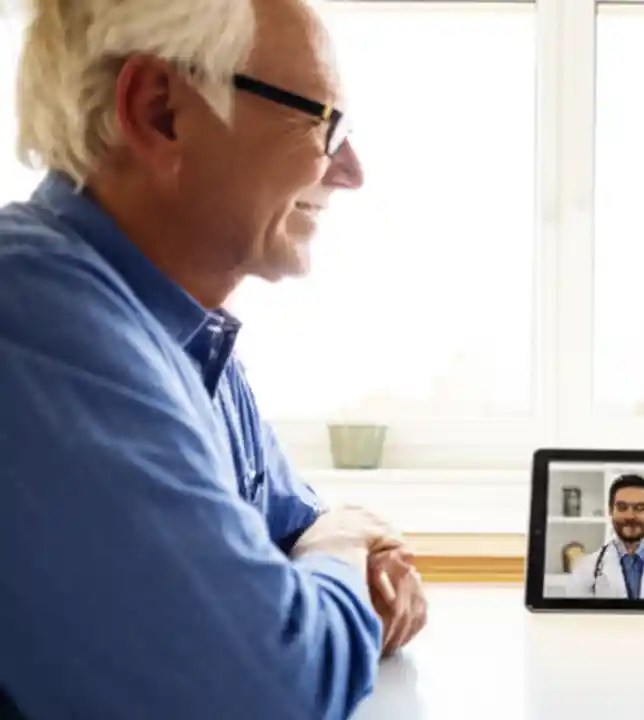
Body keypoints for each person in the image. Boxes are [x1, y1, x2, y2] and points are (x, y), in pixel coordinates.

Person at [0, 0, 424, 717]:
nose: (350, 170)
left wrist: (336, 557)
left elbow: (292, 535)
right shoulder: (35, 317)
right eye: (323, 122)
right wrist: (346, 552)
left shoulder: (176, 326)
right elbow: (266, 691)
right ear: (160, 111)